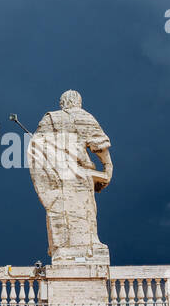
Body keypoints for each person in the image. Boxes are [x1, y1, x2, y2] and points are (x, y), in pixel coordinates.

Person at [28, 90, 112, 261]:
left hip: (56, 176)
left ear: (62, 103)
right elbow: (100, 146)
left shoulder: (50, 119)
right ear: (78, 102)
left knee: (59, 210)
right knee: (85, 210)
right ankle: (88, 245)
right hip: (80, 174)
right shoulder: (85, 117)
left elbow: (36, 146)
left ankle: (63, 248)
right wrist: (107, 167)